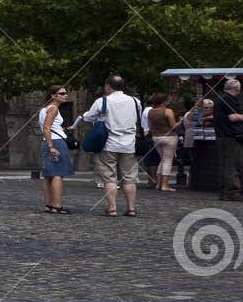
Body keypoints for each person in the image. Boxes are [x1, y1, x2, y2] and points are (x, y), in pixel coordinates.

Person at [78, 75, 142, 216]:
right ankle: (131, 208)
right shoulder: (135, 101)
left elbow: (89, 117)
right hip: (129, 145)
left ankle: (112, 208)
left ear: (108, 86)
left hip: (108, 144)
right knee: (129, 178)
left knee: (109, 178)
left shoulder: (102, 101)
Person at [211, 78, 243, 203]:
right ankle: (232, 193)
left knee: (226, 166)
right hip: (231, 137)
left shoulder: (220, 99)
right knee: (233, 166)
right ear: (237, 89)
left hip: (222, 137)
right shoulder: (228, 99)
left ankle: (225, 192)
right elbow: (232, 117)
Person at [38, 85, 73, 213]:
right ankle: (57, 205)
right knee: (58, 173)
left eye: (65, 93)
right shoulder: (53, 109)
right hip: (55, 143)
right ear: (53, 96)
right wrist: (51, 146)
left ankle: (48, 204)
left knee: (48, 175)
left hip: (47, 141)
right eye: (62, 93)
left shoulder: (44, 109)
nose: (65, 95)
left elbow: (49, 127)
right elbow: (47, 127)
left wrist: (64, 129)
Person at [145, 92, 180, 193]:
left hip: (156, 137)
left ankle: (159, 184)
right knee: (168, 161)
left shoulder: (150, 112)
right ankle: (165, 185)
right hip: (169, 137)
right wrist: (181, 121)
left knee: (162, 160)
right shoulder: (168, 111)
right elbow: (173, 126)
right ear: (164, 101)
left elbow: (150, 127)